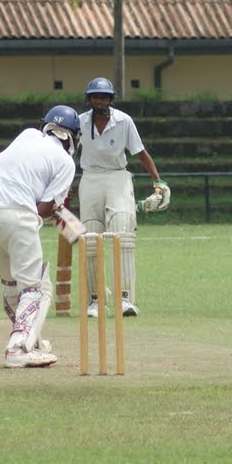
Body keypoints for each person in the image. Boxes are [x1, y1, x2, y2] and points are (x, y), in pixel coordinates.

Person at [0, 105, 82, 368]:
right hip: (16, 219)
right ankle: (18, 348)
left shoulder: (26, 135)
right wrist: (69, 222)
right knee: (37, 288)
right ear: (73, 137)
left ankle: (29, 341)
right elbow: (45, 208)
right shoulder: (65, 161)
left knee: (12, 281)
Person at [76, 76, 168, 317]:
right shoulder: (80, 122)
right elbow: (66, 152)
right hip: (90, 178)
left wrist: (157, 181)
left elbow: (140, 152)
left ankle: (125, 299)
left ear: (111, 99)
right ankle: (95, 301)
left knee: (123, 232)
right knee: (91, 239)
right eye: (96, 96)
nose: (100, 100)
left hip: (118, 177)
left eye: (104, 97)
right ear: (89, 99)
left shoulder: (124, 121)